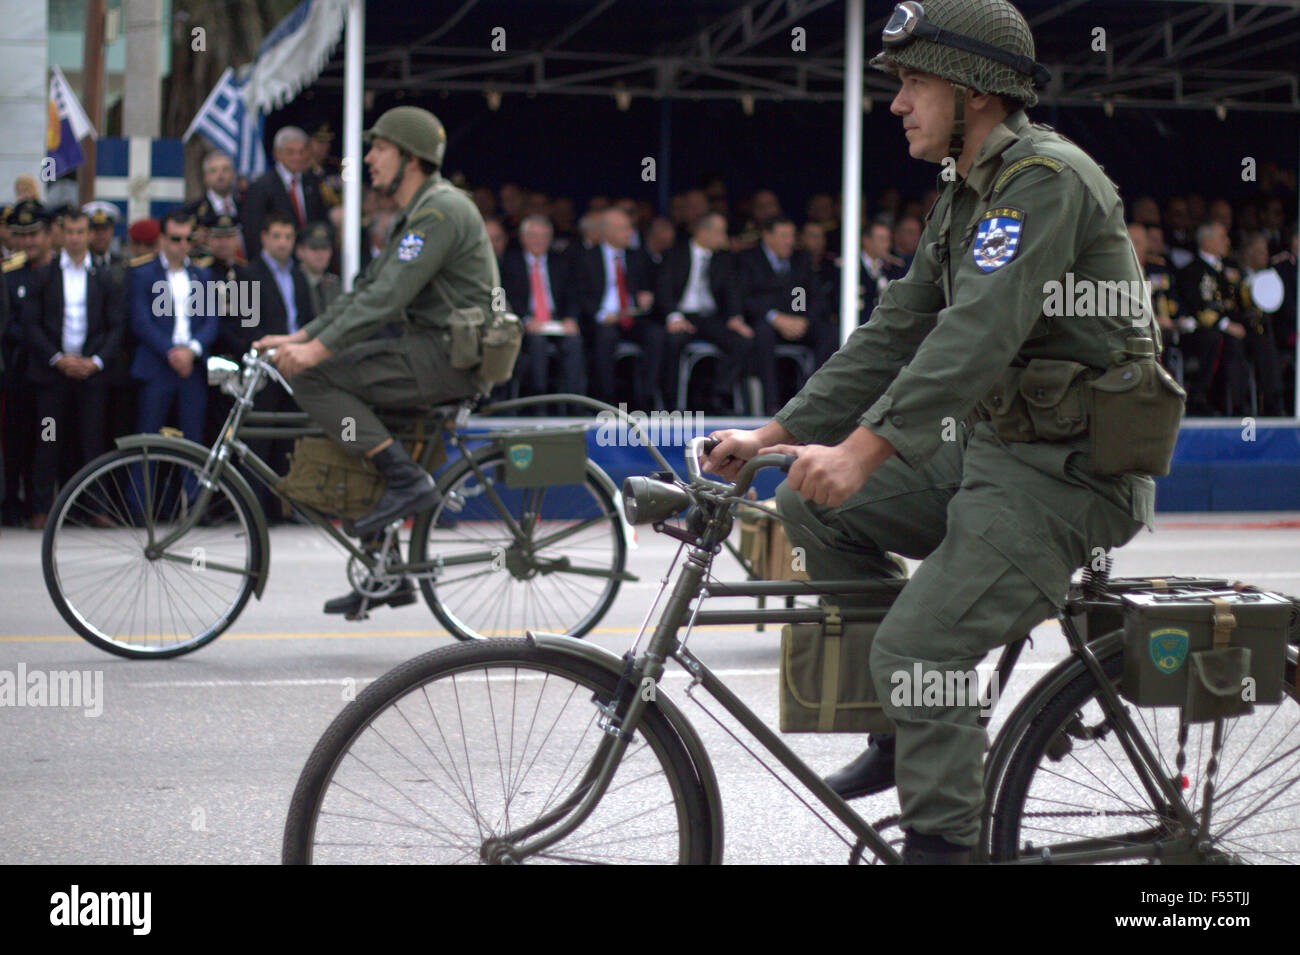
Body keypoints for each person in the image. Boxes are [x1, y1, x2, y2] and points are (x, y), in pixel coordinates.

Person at [704, 0, 1172, 864]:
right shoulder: (969, 187)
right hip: (998, 449)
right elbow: (897, 330)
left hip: (1072, 469)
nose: (897, 103)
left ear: (975, 93)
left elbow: (976, 334)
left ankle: (943, 847)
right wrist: (773, 432)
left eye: (914, 81)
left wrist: (864, 447)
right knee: (811, 508)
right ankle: (906, 729)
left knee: (923, 641)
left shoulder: (1044, 181)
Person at [252, 107, 490, 615]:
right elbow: (366, 290)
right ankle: (387, 572)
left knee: (315, 378)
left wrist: (312, 352)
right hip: (429, 348)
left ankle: (409, 482)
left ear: (412, 158)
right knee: (362, 429)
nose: (367, 158)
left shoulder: (440, 211)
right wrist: (301, 333)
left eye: (379, 148)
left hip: (447, 355)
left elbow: (384, 300)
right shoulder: (417, 212)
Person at [24, 209, 123, 528]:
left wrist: (95, 361)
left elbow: (115, 327)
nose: (77, 238)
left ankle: (95, 507)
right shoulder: (46, 274)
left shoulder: (104, 276)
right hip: (54, 374)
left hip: (91, 375)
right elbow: (32, 324)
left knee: (92, 441)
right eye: (71, 232)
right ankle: (42, 506)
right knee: (48, 438)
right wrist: (57, 358)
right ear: (61, 234)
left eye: (82, 232)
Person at [129, 209, 216, 445]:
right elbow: (141, 322)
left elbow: (211, 320)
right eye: (176, 239)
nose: (183, 245)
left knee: (193, 441)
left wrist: (192, 350)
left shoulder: (202, 275)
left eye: (188, 238)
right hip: (157, 365)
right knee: (148, 440)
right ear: (162, 240)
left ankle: (192, 484)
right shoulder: (143, 274)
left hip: (192, 367)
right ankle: (142, 483)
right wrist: (171, 352)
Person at [500, 213, 586, 411]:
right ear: (522, 238)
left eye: (544, 236)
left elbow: (573, 295)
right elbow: (505, 298)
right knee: (537, 343)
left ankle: (574, 403)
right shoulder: (510, 263)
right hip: (527, 326)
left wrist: (570, 319)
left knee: (574, 341)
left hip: (556, 322)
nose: (539, 241)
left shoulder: (561, 262)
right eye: (533, 236)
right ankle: (539, 401)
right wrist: (524, 319)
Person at [242, 127, 327, 258]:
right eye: (290, 152)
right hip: (277, 259)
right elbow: (253, 232)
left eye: (301, 152)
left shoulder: (312, 182)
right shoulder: (261, 187)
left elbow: (321, 219)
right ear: (277, 154)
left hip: (309, 259)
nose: (297, 157)